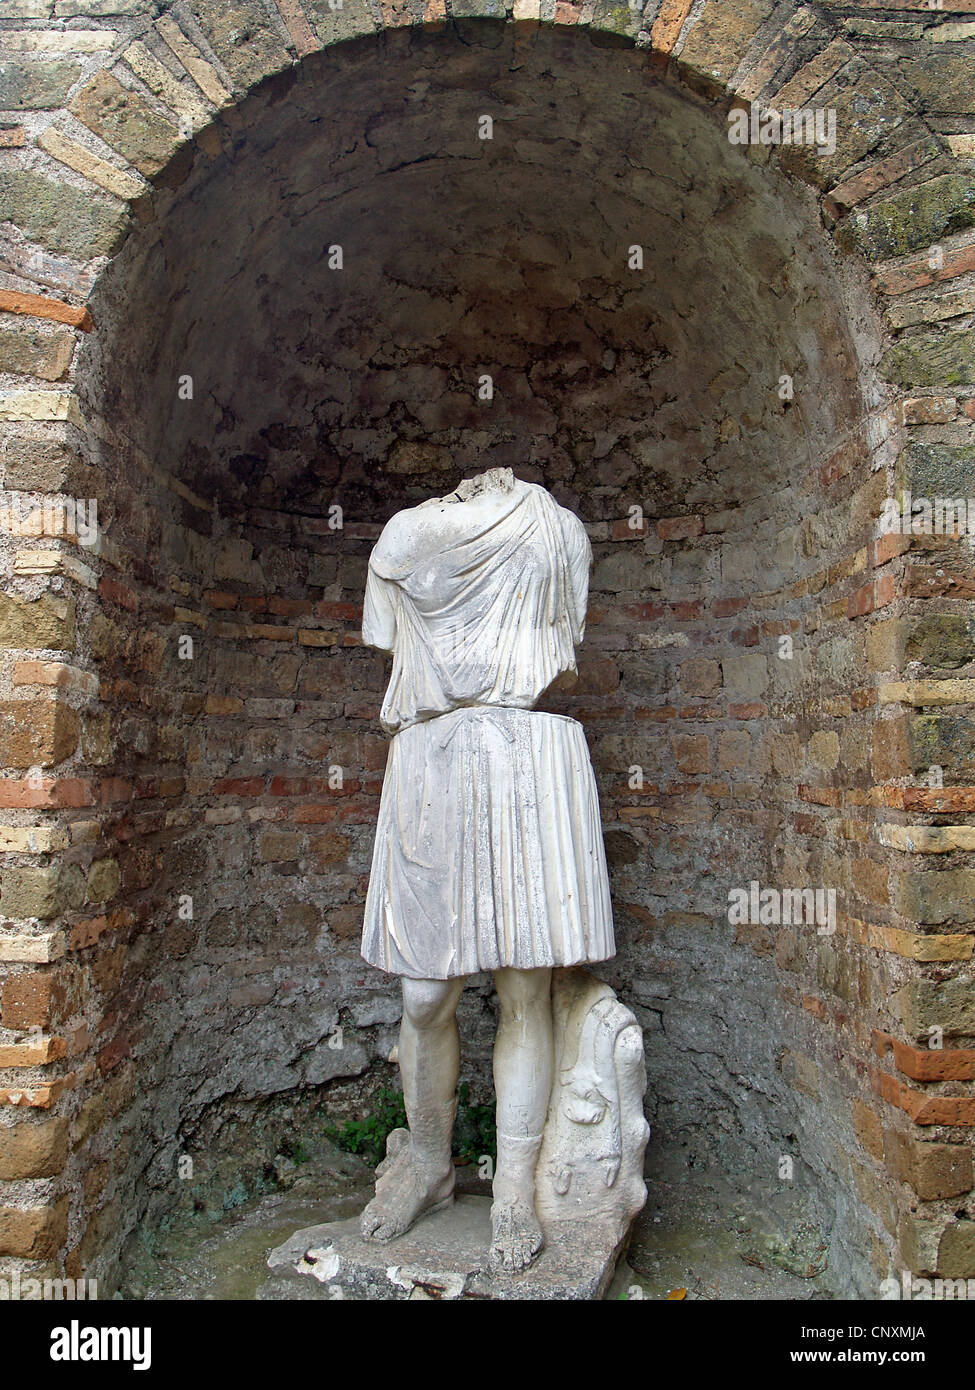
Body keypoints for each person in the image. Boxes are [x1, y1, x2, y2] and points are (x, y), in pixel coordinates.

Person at [358, 466, 615, 1274]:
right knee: (424, 992)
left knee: (522, 989)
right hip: (431, 754)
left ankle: (511, 1189)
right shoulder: (402, 537)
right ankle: (430, 1164)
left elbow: (562, 634)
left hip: (525, 756)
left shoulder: (555, 527)